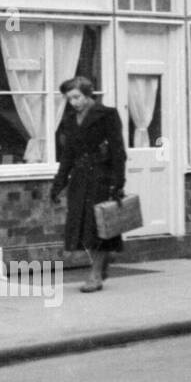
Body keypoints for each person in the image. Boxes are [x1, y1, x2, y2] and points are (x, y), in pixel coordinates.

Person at [49, 76, 127, 292]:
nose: (73, 102)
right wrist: (58, 185)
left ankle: (95, 275)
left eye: (76, 97)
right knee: (83, 228)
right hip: (80, 179)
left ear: (88, 94)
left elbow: (118, 151)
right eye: (69, 98)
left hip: (102, 178)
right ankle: (102, 263)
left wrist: (118, 183)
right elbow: (67, 156)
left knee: (98, 228)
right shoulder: (70, 120)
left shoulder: (107, 115)